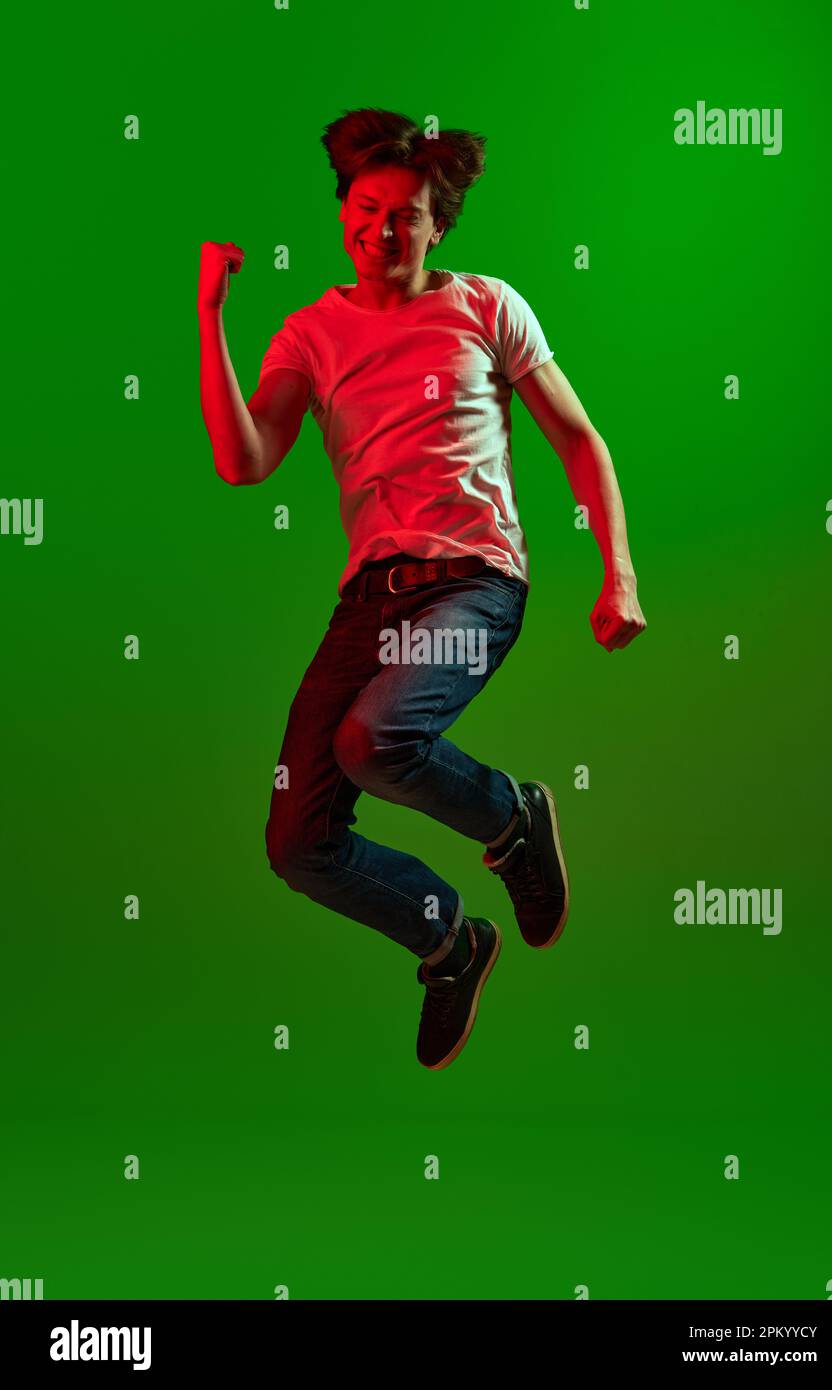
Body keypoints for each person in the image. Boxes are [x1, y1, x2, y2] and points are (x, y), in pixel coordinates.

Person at [197, 107, 646, 1071]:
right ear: (343, 214)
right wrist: (211, 319)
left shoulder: (487, 306)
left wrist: (619, 572)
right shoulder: (311, 333)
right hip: (369, 600)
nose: (381, 230)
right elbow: (245, 460)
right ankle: (447, 941)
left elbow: (578, 439)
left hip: (473, 582)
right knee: (297, 844)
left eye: (404, 215)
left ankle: (512, 819)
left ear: (436, 225)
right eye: (365, 210)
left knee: (374, 741)